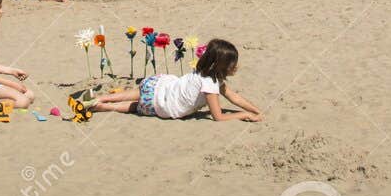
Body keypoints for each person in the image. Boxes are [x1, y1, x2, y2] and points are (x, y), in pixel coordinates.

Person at [72, 39, 260, 122]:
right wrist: (244, 115)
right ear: (221, 66)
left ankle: (102, 99)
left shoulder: (203, 74)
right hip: (162, 107)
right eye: (232, 64)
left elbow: (234, 97)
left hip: (159, 86)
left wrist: (255, 110)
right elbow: (218, 116)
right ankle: (103, 106)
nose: (235, 67)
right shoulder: (211, 85)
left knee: (140, 93)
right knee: (136, 106)